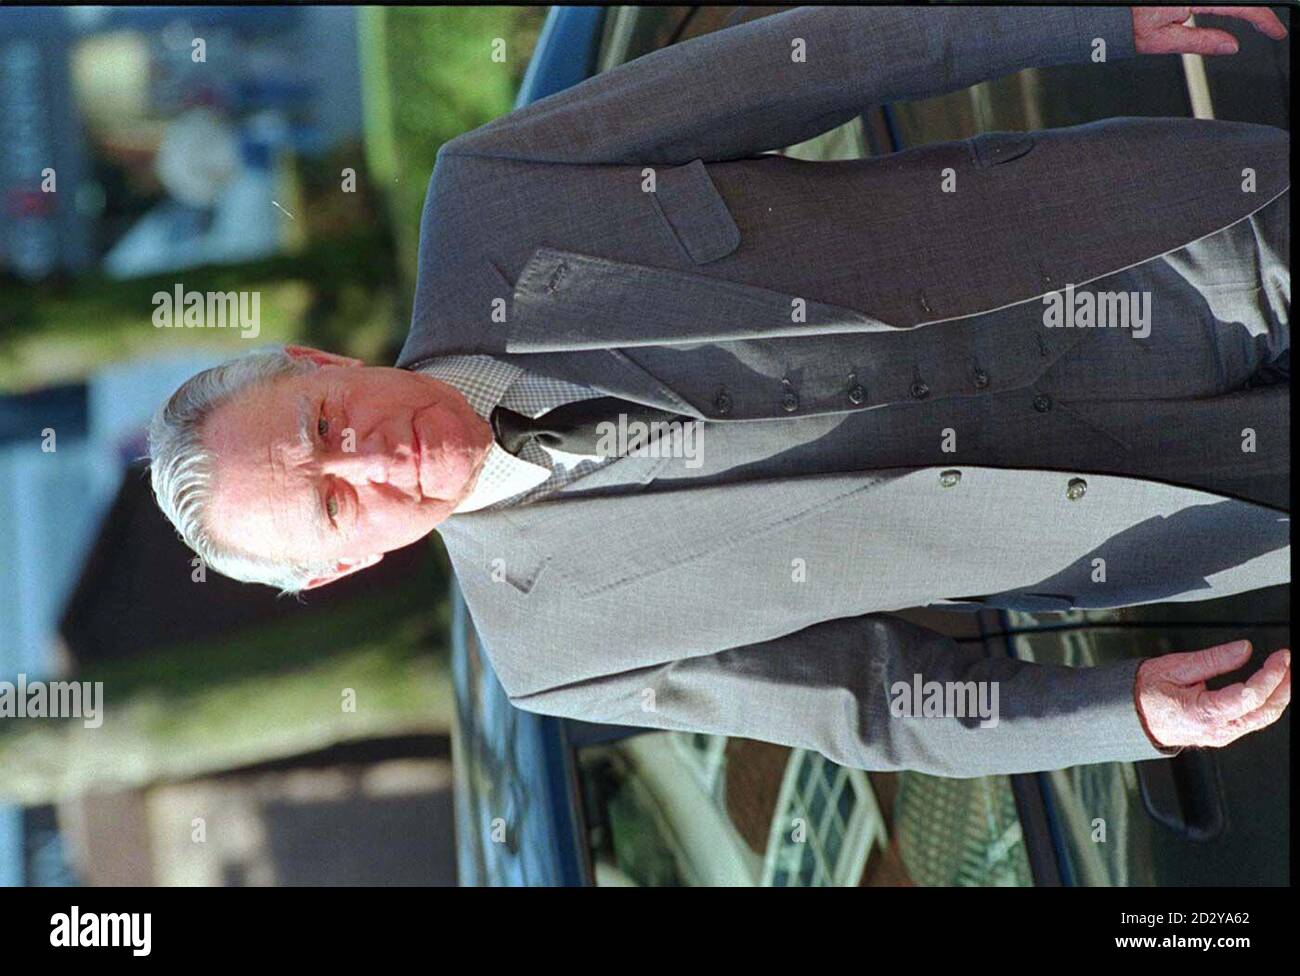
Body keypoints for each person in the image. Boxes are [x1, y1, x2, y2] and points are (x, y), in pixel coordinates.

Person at [148, 6, 1291, 776]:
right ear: (347, 564)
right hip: (1191, 511)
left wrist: (1086, 24)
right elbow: (878, 706)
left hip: (1177, 241)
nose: (371, 459)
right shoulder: (559, 654)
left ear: (319, 367)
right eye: (335, 504)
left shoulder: (496, 196)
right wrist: (1127, 714)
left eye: (325, 428)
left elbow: (817, 58)